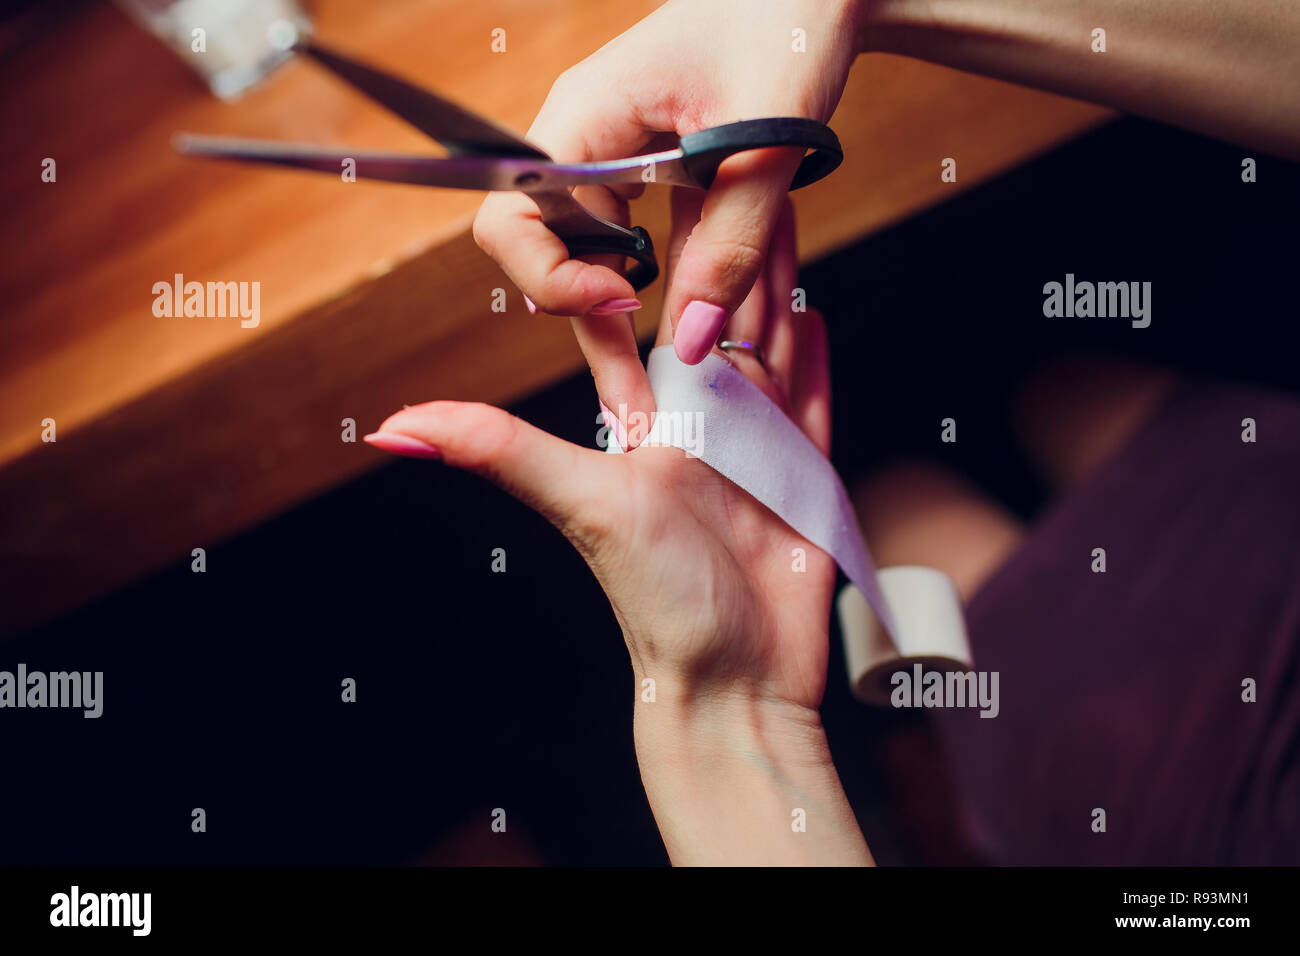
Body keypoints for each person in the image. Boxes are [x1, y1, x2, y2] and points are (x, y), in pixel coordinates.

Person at [364, 1, 1300, 864]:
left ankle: (943, 424)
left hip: (1193, 794)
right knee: (1076, 390)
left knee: (917, 508)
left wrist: (732, 714)